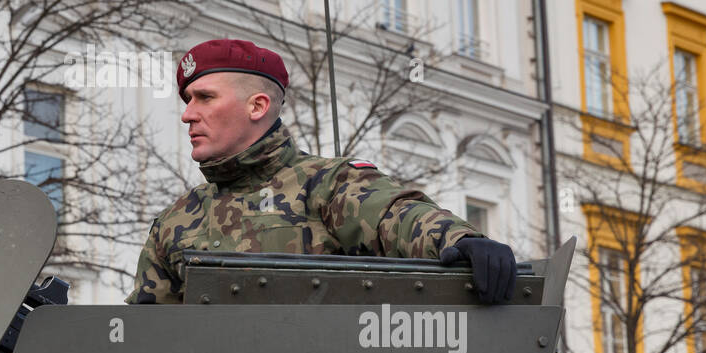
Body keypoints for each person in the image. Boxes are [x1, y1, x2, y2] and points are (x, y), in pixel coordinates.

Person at [125, 38, 517, 305]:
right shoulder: (175, 221)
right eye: (188, 99)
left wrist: (462, 239)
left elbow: (394, 215)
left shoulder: (327, 185)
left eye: (204, 98)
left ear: (257, 106)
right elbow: (145, 338)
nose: (188, 114)